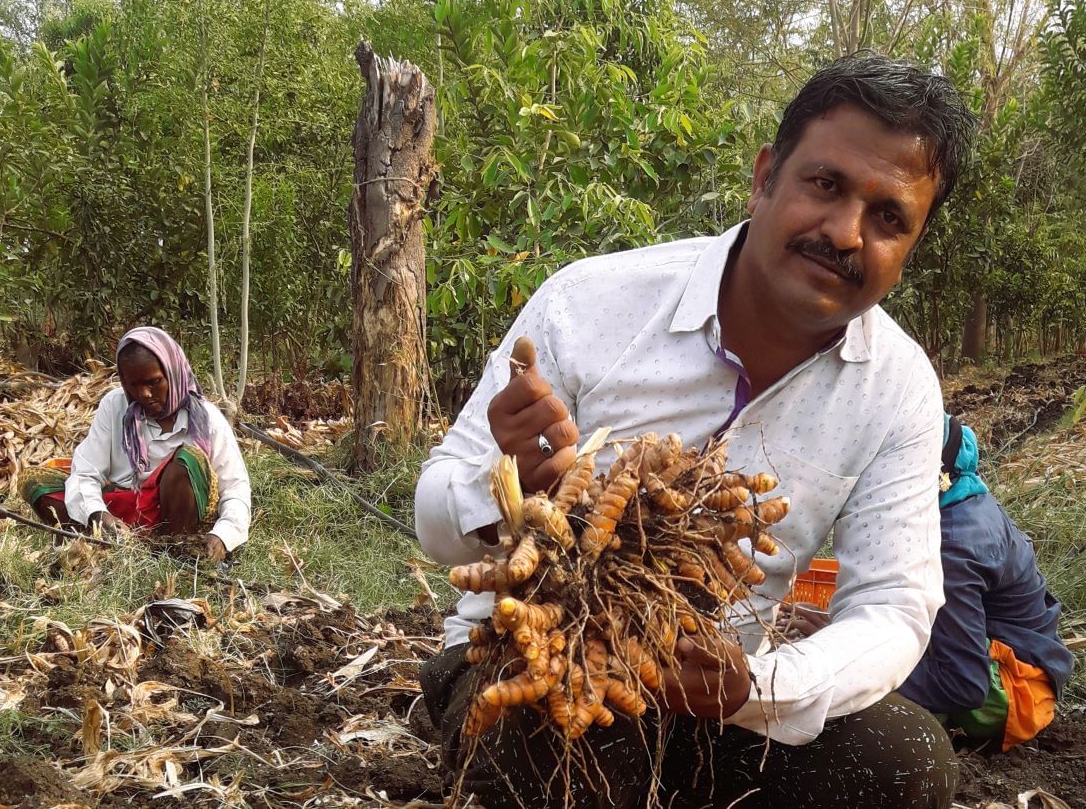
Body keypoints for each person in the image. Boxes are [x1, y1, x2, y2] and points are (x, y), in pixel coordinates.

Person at [414, 52, 978, 808]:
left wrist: (761, 685)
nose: (845, 232)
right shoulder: (592, 302)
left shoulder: (898, 388)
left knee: (911, 761)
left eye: (888, 218)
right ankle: (460, 716)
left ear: (911, 249)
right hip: (531, 664)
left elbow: (895, 607)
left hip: (717, 706)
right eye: (826, 185)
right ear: (765, 176)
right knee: (564, 752)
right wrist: (514, 499)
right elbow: (432, 515)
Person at [897, 414, 1074, 751]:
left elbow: (964, 685)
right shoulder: (966, 500)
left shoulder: (952, 546)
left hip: (1008, 694)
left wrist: (857, 667)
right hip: (1022, 659)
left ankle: (944, 729)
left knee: (869, 696)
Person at [21, 326, 251, 563]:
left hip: (175, 511)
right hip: (123, 511)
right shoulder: (114, 406)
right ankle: (110, 547)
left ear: (172, 372)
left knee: (186, 463)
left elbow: (235, 489)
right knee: (39, 484)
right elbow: (85, 472)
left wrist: (222, 536)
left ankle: (172, 549)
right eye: (132, 385)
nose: (144, 394)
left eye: (154, 382)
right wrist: (98, 514)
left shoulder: (206, 419)